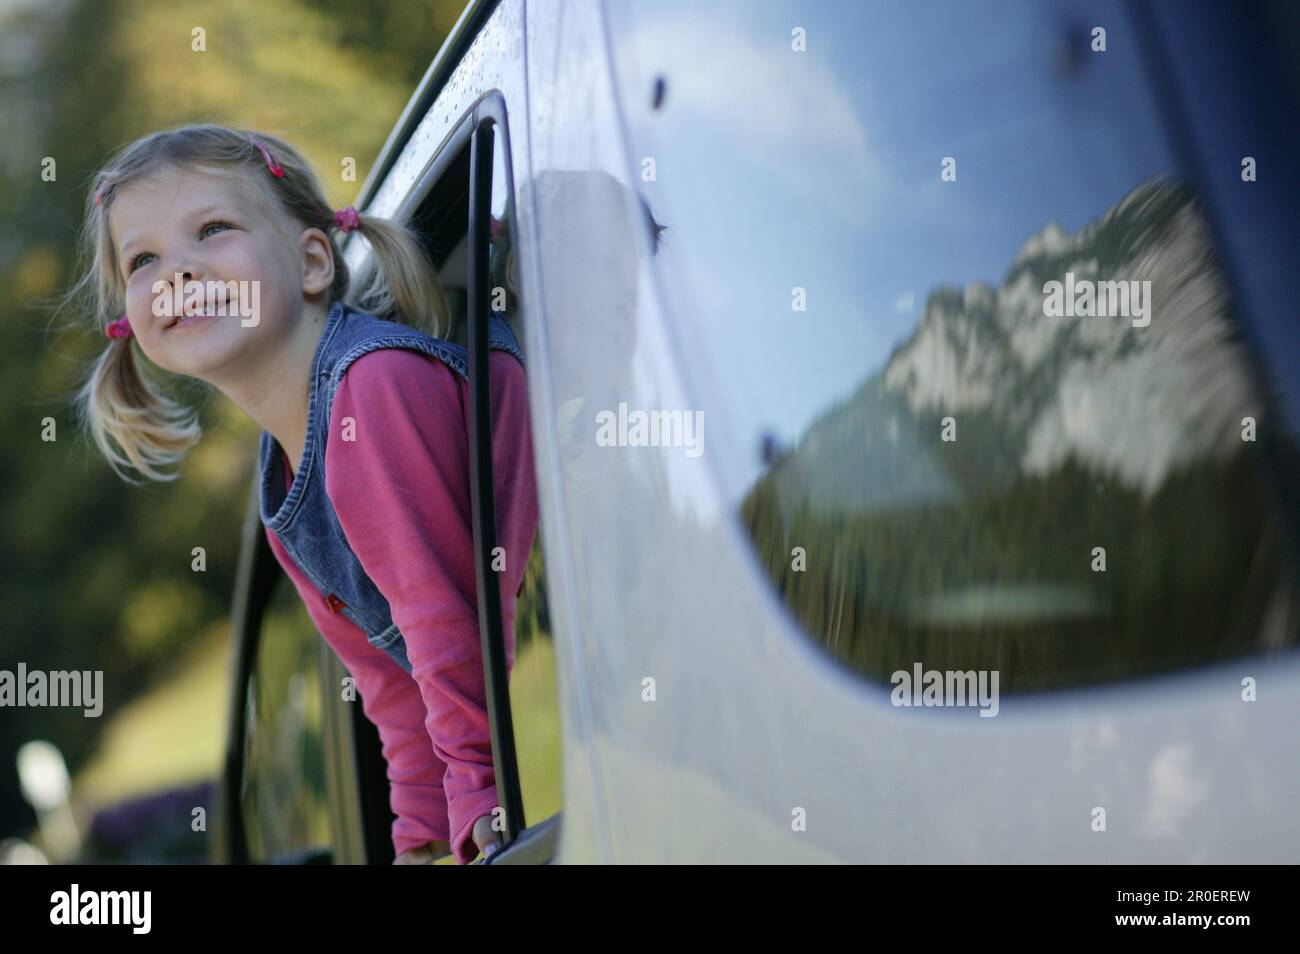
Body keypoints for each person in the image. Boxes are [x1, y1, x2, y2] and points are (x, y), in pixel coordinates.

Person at [58, 123, 538, 864]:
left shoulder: (372, 390)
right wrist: (419, 839)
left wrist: (478, 787)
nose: (177, 271)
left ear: (313, 261)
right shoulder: (284, 481)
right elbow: (387, 680)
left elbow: (447, 617)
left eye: (211, 230)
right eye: (143, 259)